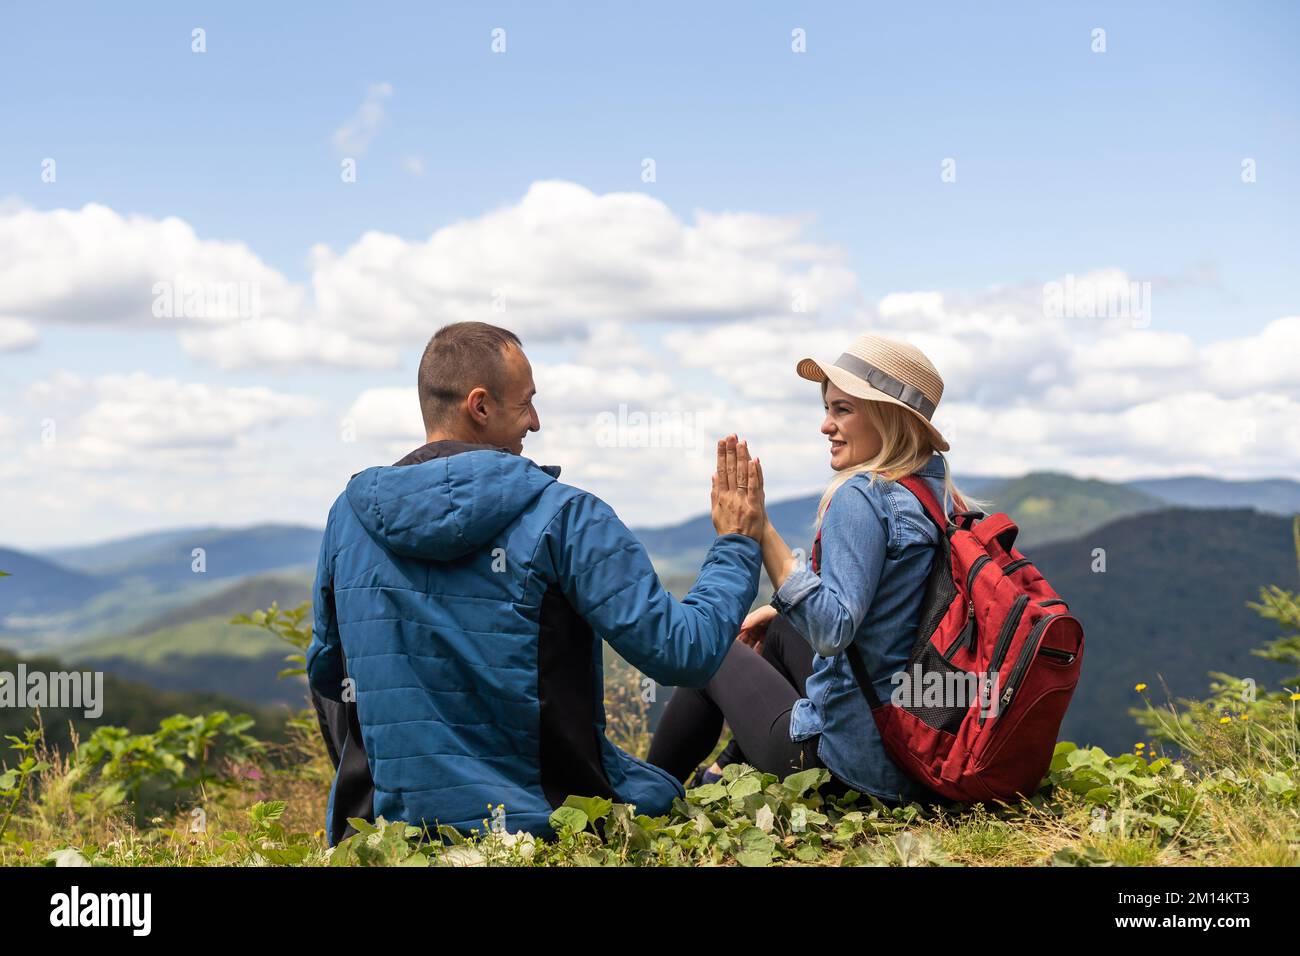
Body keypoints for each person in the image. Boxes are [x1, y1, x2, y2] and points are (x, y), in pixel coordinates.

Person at [306, 321, 766, 844]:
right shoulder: (568, 516)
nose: (537, 421)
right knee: (658, 794)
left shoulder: (349, 516)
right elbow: (684, 652)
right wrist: (735, 544)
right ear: (479, 406)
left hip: (386, 831)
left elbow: (327, 673)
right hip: (543, 823)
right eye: (525, 403)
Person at [647, 332, 979, 806]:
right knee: (779, 632)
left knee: (714, 647)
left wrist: (760, 530)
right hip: (916, 751)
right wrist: (783, 612)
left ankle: (637, 800)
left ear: (889, 417)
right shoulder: (941, 497)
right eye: (827, 408)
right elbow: (888, 614)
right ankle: (722, 773)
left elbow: (832, 630)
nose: (826, 425)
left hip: (848, 765)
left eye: (843, 409)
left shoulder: (862, 497)